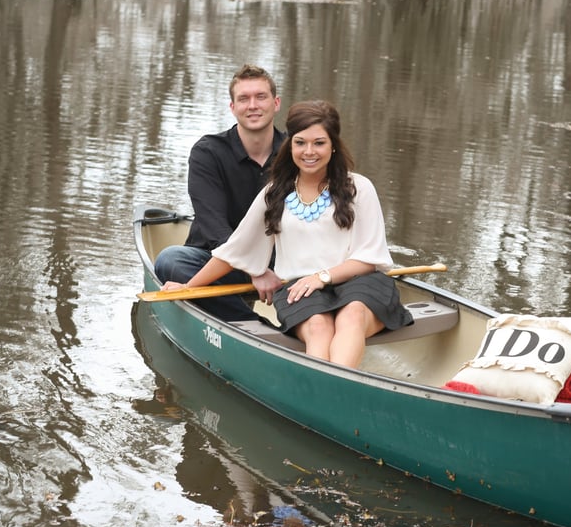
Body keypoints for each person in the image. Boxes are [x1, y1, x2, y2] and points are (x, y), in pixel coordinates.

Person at [162, 100, 413, 368]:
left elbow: (369, 258)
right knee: (319, 327)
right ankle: (324, 393)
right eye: (300, 142)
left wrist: (321, 277)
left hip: (360, 282)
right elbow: (235, 251)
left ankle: (336, 394)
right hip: (299, 288)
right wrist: (190, 287)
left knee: (350, 317)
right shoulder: (275, 194)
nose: (309, 152)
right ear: (289, 144)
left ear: (334, 145)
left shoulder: (359, 188)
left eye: (319, 143)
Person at [154, 64, 286, 321]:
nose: (253, 105)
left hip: (279, 262)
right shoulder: (208, 153)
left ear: (276, 102)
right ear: (232, 107)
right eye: (243, 99)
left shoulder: (296, 152)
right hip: (217, 261)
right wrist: (254, 268)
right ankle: (253, 326)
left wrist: (266, 266)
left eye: (261, 97)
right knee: (170, 261)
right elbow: (214, 227)